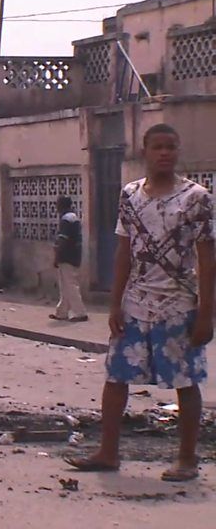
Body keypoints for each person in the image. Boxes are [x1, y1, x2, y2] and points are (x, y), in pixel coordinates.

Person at [66, 124, 214, 482]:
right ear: (145, 151)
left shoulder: (197, 198)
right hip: (135, 303)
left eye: (171, 147)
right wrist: (114, 304)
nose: (165, 153)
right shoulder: (130, 195)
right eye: (158, 147)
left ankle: (187, 459)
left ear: (178, 152)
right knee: (116, 377)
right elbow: (123, 252)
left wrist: (206, 315)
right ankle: (108, 452)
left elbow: (208, 258)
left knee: (184, 381)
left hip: (178, 304)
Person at [51, 196, 88, 323]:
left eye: (57, 204)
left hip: (67, 256)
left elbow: (63, 240)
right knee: (65, 285)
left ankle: (80, 312)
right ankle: (62, 312)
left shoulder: (66, 219)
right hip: (73, 255)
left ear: (61, 206)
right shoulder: (73, 217)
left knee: (70, 285)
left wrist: (57, 256)